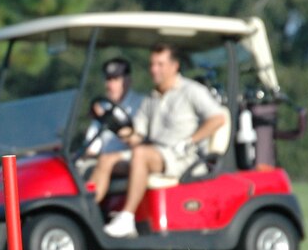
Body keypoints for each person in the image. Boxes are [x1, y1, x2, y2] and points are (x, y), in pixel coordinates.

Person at [102, 43, 228, 238]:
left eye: (160, 64)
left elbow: (218, 118)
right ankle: (90, 212)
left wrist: (190, 140)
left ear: (174, 66)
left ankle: (127, 217)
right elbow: (138, 136)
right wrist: (119, 129)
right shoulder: (151, 98)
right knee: (107, 160)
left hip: (183, 156)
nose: (154, 69)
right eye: (152, 64)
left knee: (141, 154)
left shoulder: (191, 91)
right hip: (155, 155)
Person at [83, 58, 143, 204]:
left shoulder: (140, 104)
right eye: (108, 80)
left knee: (105, 161)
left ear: (127, 80)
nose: (110, 85)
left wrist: (114, 125)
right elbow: (92, 146)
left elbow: (140, 140)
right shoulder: (103, 106)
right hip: (104, 158)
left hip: (131, 156)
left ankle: (87, 207)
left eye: (115, 79)